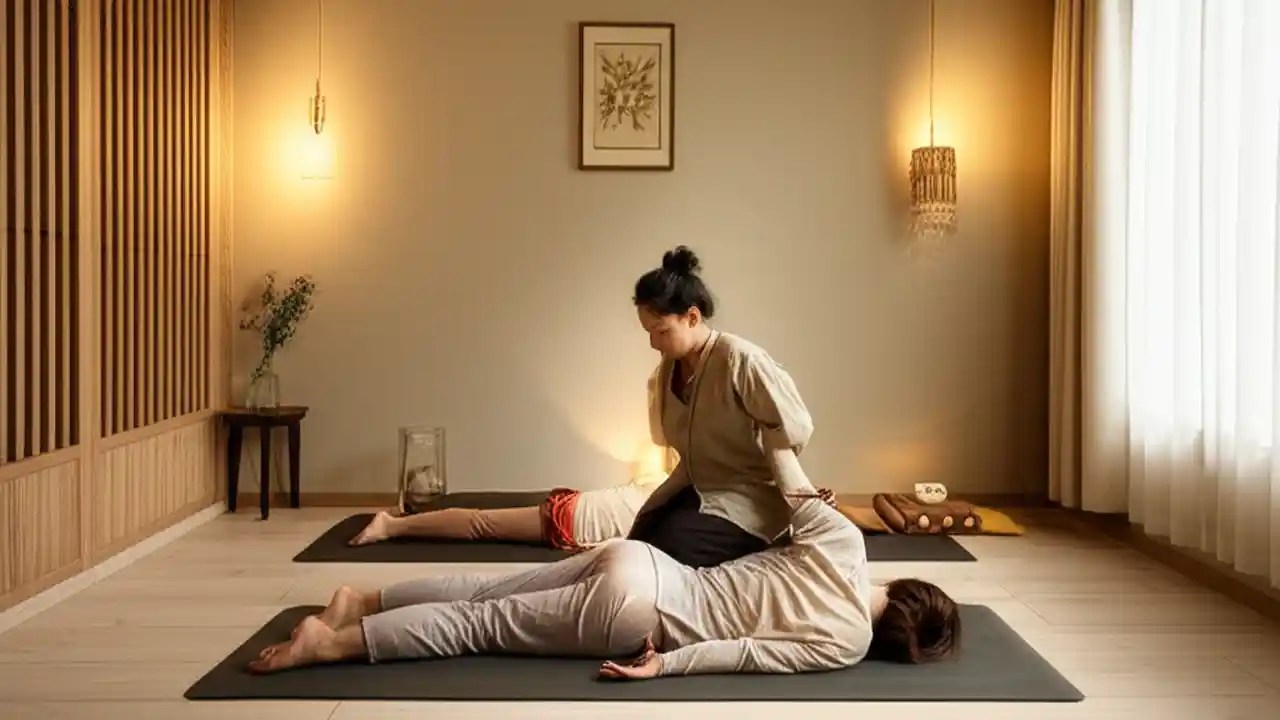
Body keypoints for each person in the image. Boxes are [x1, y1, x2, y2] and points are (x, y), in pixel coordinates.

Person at [247, 474, 960, 677]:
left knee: (481, 592)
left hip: (642, 559)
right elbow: (743, 655)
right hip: (638, 617)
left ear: (905, 590)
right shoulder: (846, 647)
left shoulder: (843, 546)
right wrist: (665, 669)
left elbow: (792, 486)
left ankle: (358, 601)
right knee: (478, 626)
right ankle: (331, 644)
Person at [627, 245, 819, 568]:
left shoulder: (741, 360)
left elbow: (796, 428)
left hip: (749, 500)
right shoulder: (666, 372)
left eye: (661, 332)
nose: (653, 344)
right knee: (636, 544)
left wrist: (799, 492)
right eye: (649, 333)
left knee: (666, 551)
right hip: (698, 487)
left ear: (692, 317)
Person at [348, 478, 840, 553]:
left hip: (593, 506)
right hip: (580, 520)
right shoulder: (736, 516)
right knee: (483, 524)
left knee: (483, 521)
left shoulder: (728, 495)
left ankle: (395, 523)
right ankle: (393, 524)